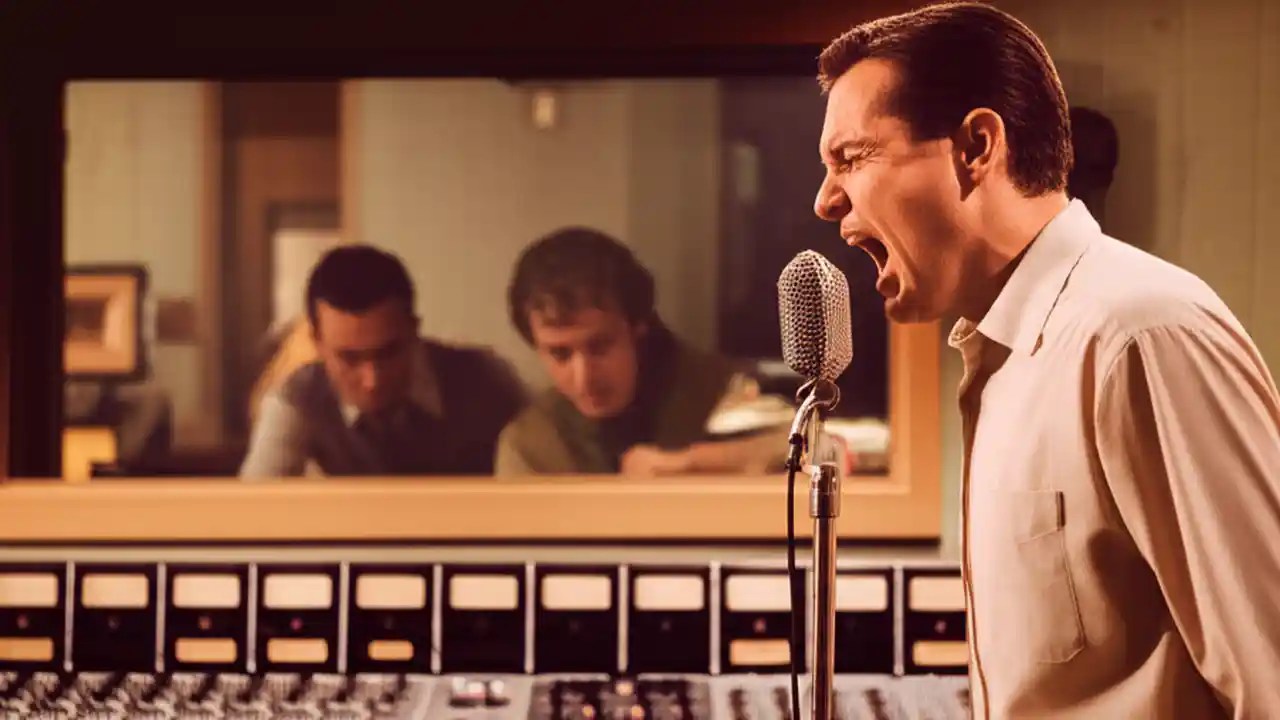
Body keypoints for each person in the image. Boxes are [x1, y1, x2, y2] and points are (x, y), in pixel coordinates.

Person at [813, 3, 1280, 718]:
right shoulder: (1003, 360)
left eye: (852, 157)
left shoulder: (1139, 334)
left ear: (975, 147)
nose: (825, 200)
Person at [495, 227, 786, 476]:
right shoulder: (530, 444)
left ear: (638, 325)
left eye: (600, 346)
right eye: (560, 355)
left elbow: (821, 448)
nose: (584, 378)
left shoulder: (729, 390)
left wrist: (693, 463)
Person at [240, 244, 526, 478]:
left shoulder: (485, 380)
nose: (372, 380)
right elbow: (252, 509)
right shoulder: (298, 398)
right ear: (317, 342)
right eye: (349, 358)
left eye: (388, 353)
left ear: (414, 329)